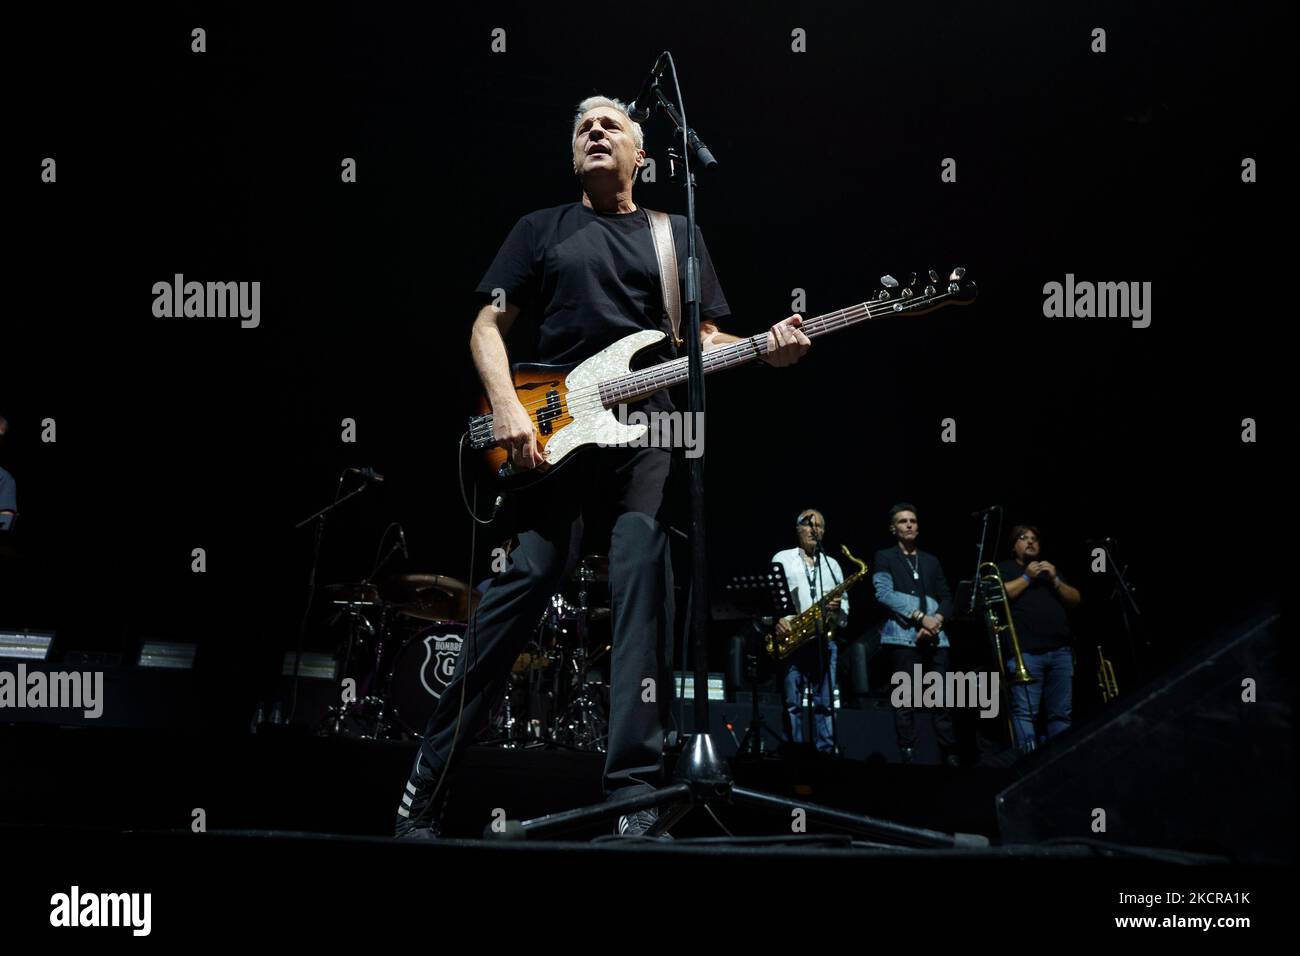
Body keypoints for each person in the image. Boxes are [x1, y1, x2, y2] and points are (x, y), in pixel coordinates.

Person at [396, 95, 811, 838]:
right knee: (511, 602)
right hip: (547, 438)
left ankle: (633, 799)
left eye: (610, 124)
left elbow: (706, 338)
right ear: (572, 154)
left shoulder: (674, 233)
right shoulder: (540, 230)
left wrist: (765, 348)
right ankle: (425, 786)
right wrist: (508, 407)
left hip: (645, 435)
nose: (593, 130)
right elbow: (487, 325)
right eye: (582, 126)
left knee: (642, 585)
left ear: (641, 156)